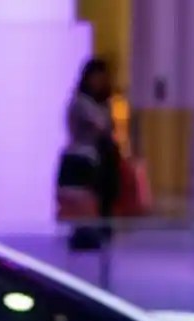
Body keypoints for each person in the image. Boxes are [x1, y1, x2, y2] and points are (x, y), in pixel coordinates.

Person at [60, 58, 122, 251]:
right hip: (81, 158)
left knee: (96, 203)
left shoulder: (103, 103)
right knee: (81, 205)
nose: (99, 82)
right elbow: (101, 125)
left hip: (97, 160)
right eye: (96, 77)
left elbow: (109, 128)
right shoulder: (81, 102)